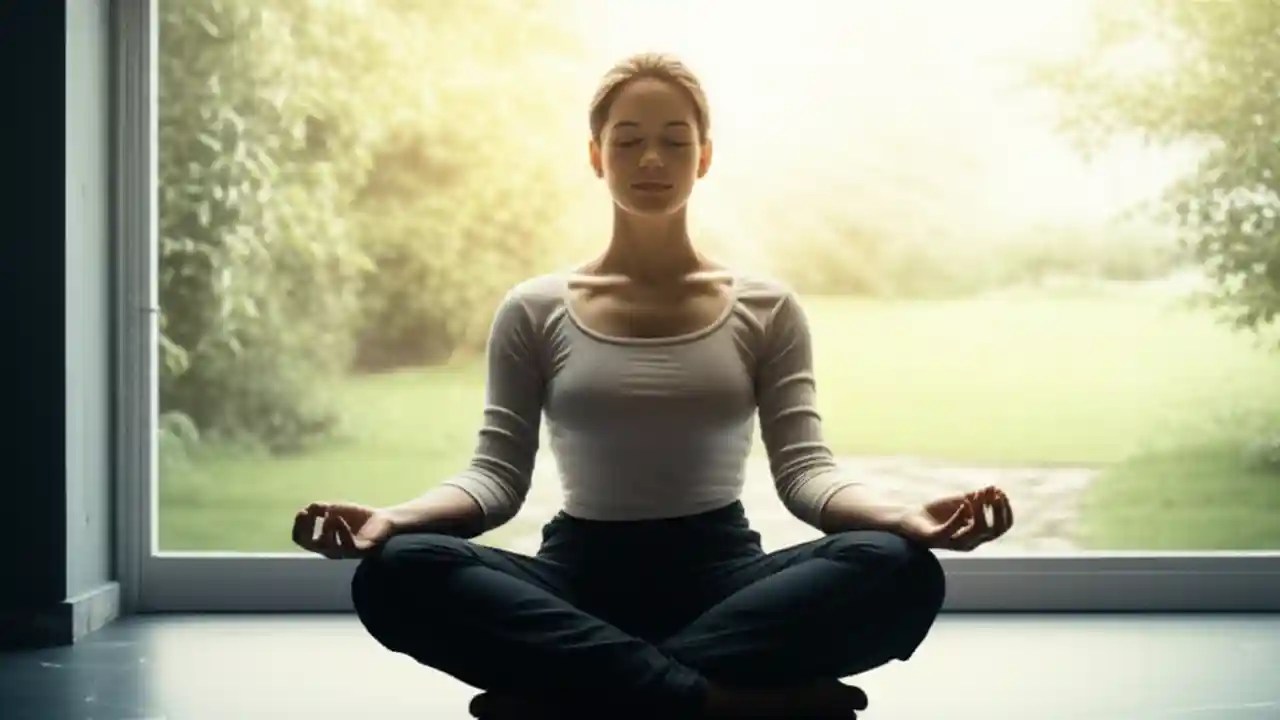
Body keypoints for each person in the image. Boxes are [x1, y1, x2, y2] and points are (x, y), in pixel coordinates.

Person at [291, 52, 1014, 719]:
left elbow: (806, 473)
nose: (651, 158)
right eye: (629, 138)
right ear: (595, 155)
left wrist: (906, 520)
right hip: (577, 577)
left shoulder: (766, 307)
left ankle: (575, 697)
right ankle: (725, 706)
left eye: (674, 140)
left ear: (704, 158)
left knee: (897, 569)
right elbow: (494, 479)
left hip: (724, 578)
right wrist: (394, 521)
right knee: (398, 571)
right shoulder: (534, 308)